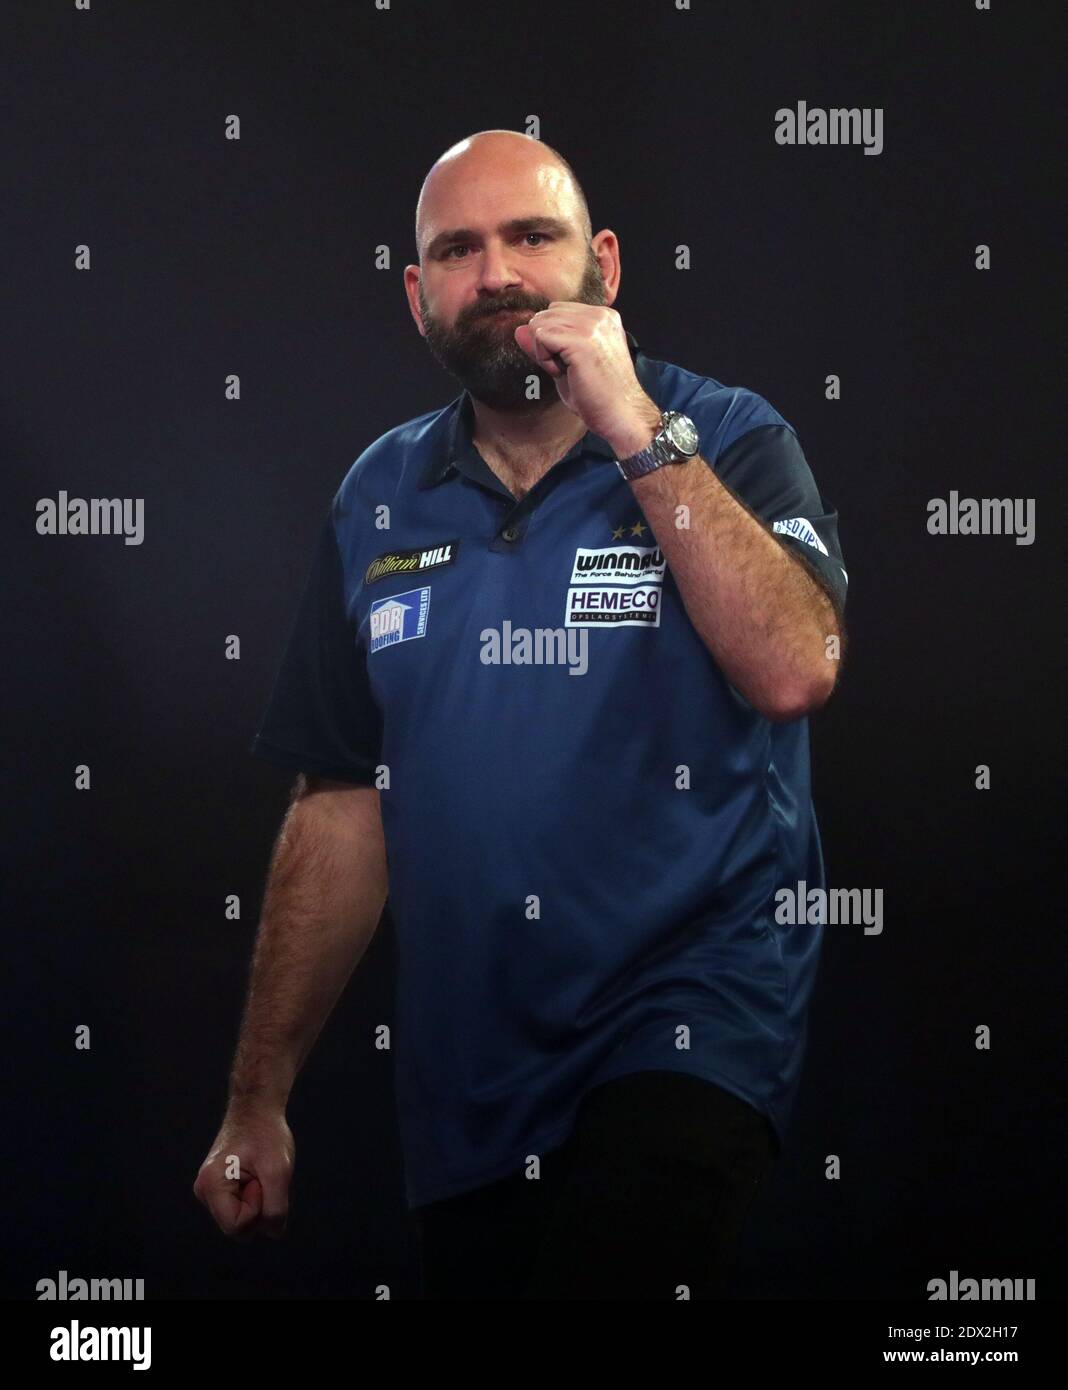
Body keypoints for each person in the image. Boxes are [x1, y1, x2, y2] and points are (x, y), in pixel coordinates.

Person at [194, 128, 849, 1300]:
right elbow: (341, 803)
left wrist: (632, 425)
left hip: (688, 1022)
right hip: (471, 1086)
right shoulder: (378, 495)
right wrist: (258, 1097)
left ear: (604, 264)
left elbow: (796, 669)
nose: (497, 273)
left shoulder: (730, 435)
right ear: (417, 296)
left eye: (532, 237)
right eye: (459, 250)